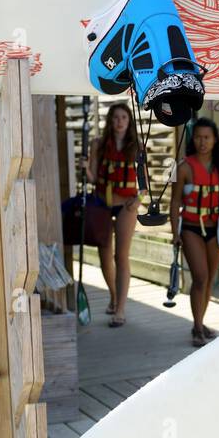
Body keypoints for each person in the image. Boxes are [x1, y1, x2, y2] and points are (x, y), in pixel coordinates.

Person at [170, 118, 219, 347]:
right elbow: (175, 200)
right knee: (200, 277)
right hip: (191, 228)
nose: (202, 141)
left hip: (216, 228)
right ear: (192, 139)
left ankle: (201, 322)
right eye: (198, 137)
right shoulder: (184, 167)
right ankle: (197, 327)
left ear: (215, 140)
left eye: (207, 137)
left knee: (209, 281)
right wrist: (174, 232)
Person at [84, 102, 141, 327]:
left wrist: (139, 200)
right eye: (116, 117)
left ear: (129, 121)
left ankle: (120, 310)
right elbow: (92, 179)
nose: (119, 122)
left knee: (121, 256)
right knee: (104, 256)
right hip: (103, 204)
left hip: (127, 205)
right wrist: (86, 168)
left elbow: (144, 181)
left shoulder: (136, 147)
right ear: (110, 120)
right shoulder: (98, 144)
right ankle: (113, 296)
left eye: (124, 118)